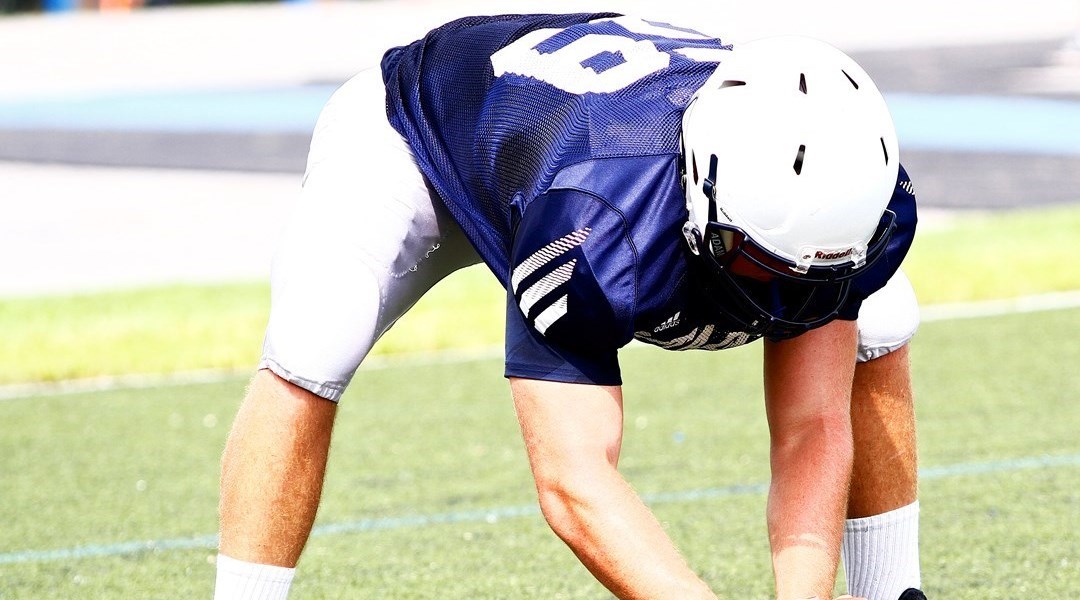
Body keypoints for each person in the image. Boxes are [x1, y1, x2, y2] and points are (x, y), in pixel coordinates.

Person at [214, 13, 927, 600]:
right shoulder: (597, 223)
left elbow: (812, 427)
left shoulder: (853, 199)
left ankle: (893, 591)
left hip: (590, 142)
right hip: (419, 135)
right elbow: (574, 480)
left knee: (882, 314)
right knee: (316, 337)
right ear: (701, 196)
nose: (784, 297)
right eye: (760, 263)